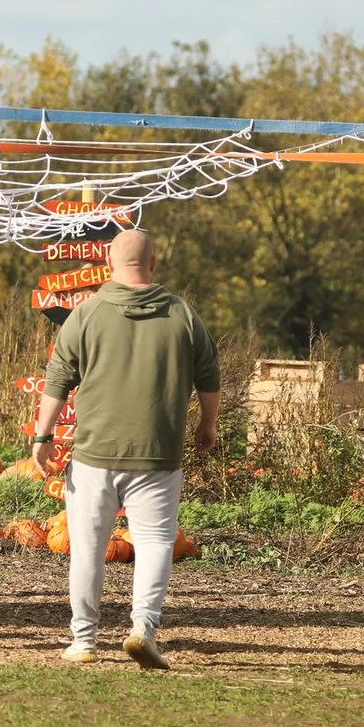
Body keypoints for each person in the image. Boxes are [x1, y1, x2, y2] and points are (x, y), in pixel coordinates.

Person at [34, 228, 220, 669]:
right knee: (155, 542)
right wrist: (207, 425)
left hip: (95, 452)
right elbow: (209, 377)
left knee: (87, 545)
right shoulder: (183, 314)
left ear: (110, 266)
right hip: (158, 451)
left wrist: (42, 437)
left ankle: (83, 640)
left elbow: (58, 379)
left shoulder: (86, 313)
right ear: (153, 264)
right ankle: (143, 629)